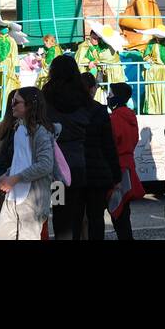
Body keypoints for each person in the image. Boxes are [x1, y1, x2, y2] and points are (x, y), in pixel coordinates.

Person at [43, 54, 120, 239]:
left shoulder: (46, 102)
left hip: (57, 172)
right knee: (95, 219)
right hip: (84, 170)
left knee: (61, 216)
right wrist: (115, 174)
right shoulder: (90, 106)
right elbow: (108, 144)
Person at [0, 86, 57, 239]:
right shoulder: (19, 128)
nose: (12, 105)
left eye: (16, 102)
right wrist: (5, 177)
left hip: (32, 200)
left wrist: (14, 179)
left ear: (29, 105)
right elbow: (20, 163)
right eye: (12, 101)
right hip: (13, 197)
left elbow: (46, 164)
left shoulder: (40, 132)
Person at [106, 84, 145, 240]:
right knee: (124, 209)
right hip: (128, 164)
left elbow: (112, 142)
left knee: (118, 210)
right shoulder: (130, 115)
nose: (108, 97)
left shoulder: (115, 117)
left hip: (118, 165)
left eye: (110, 94)